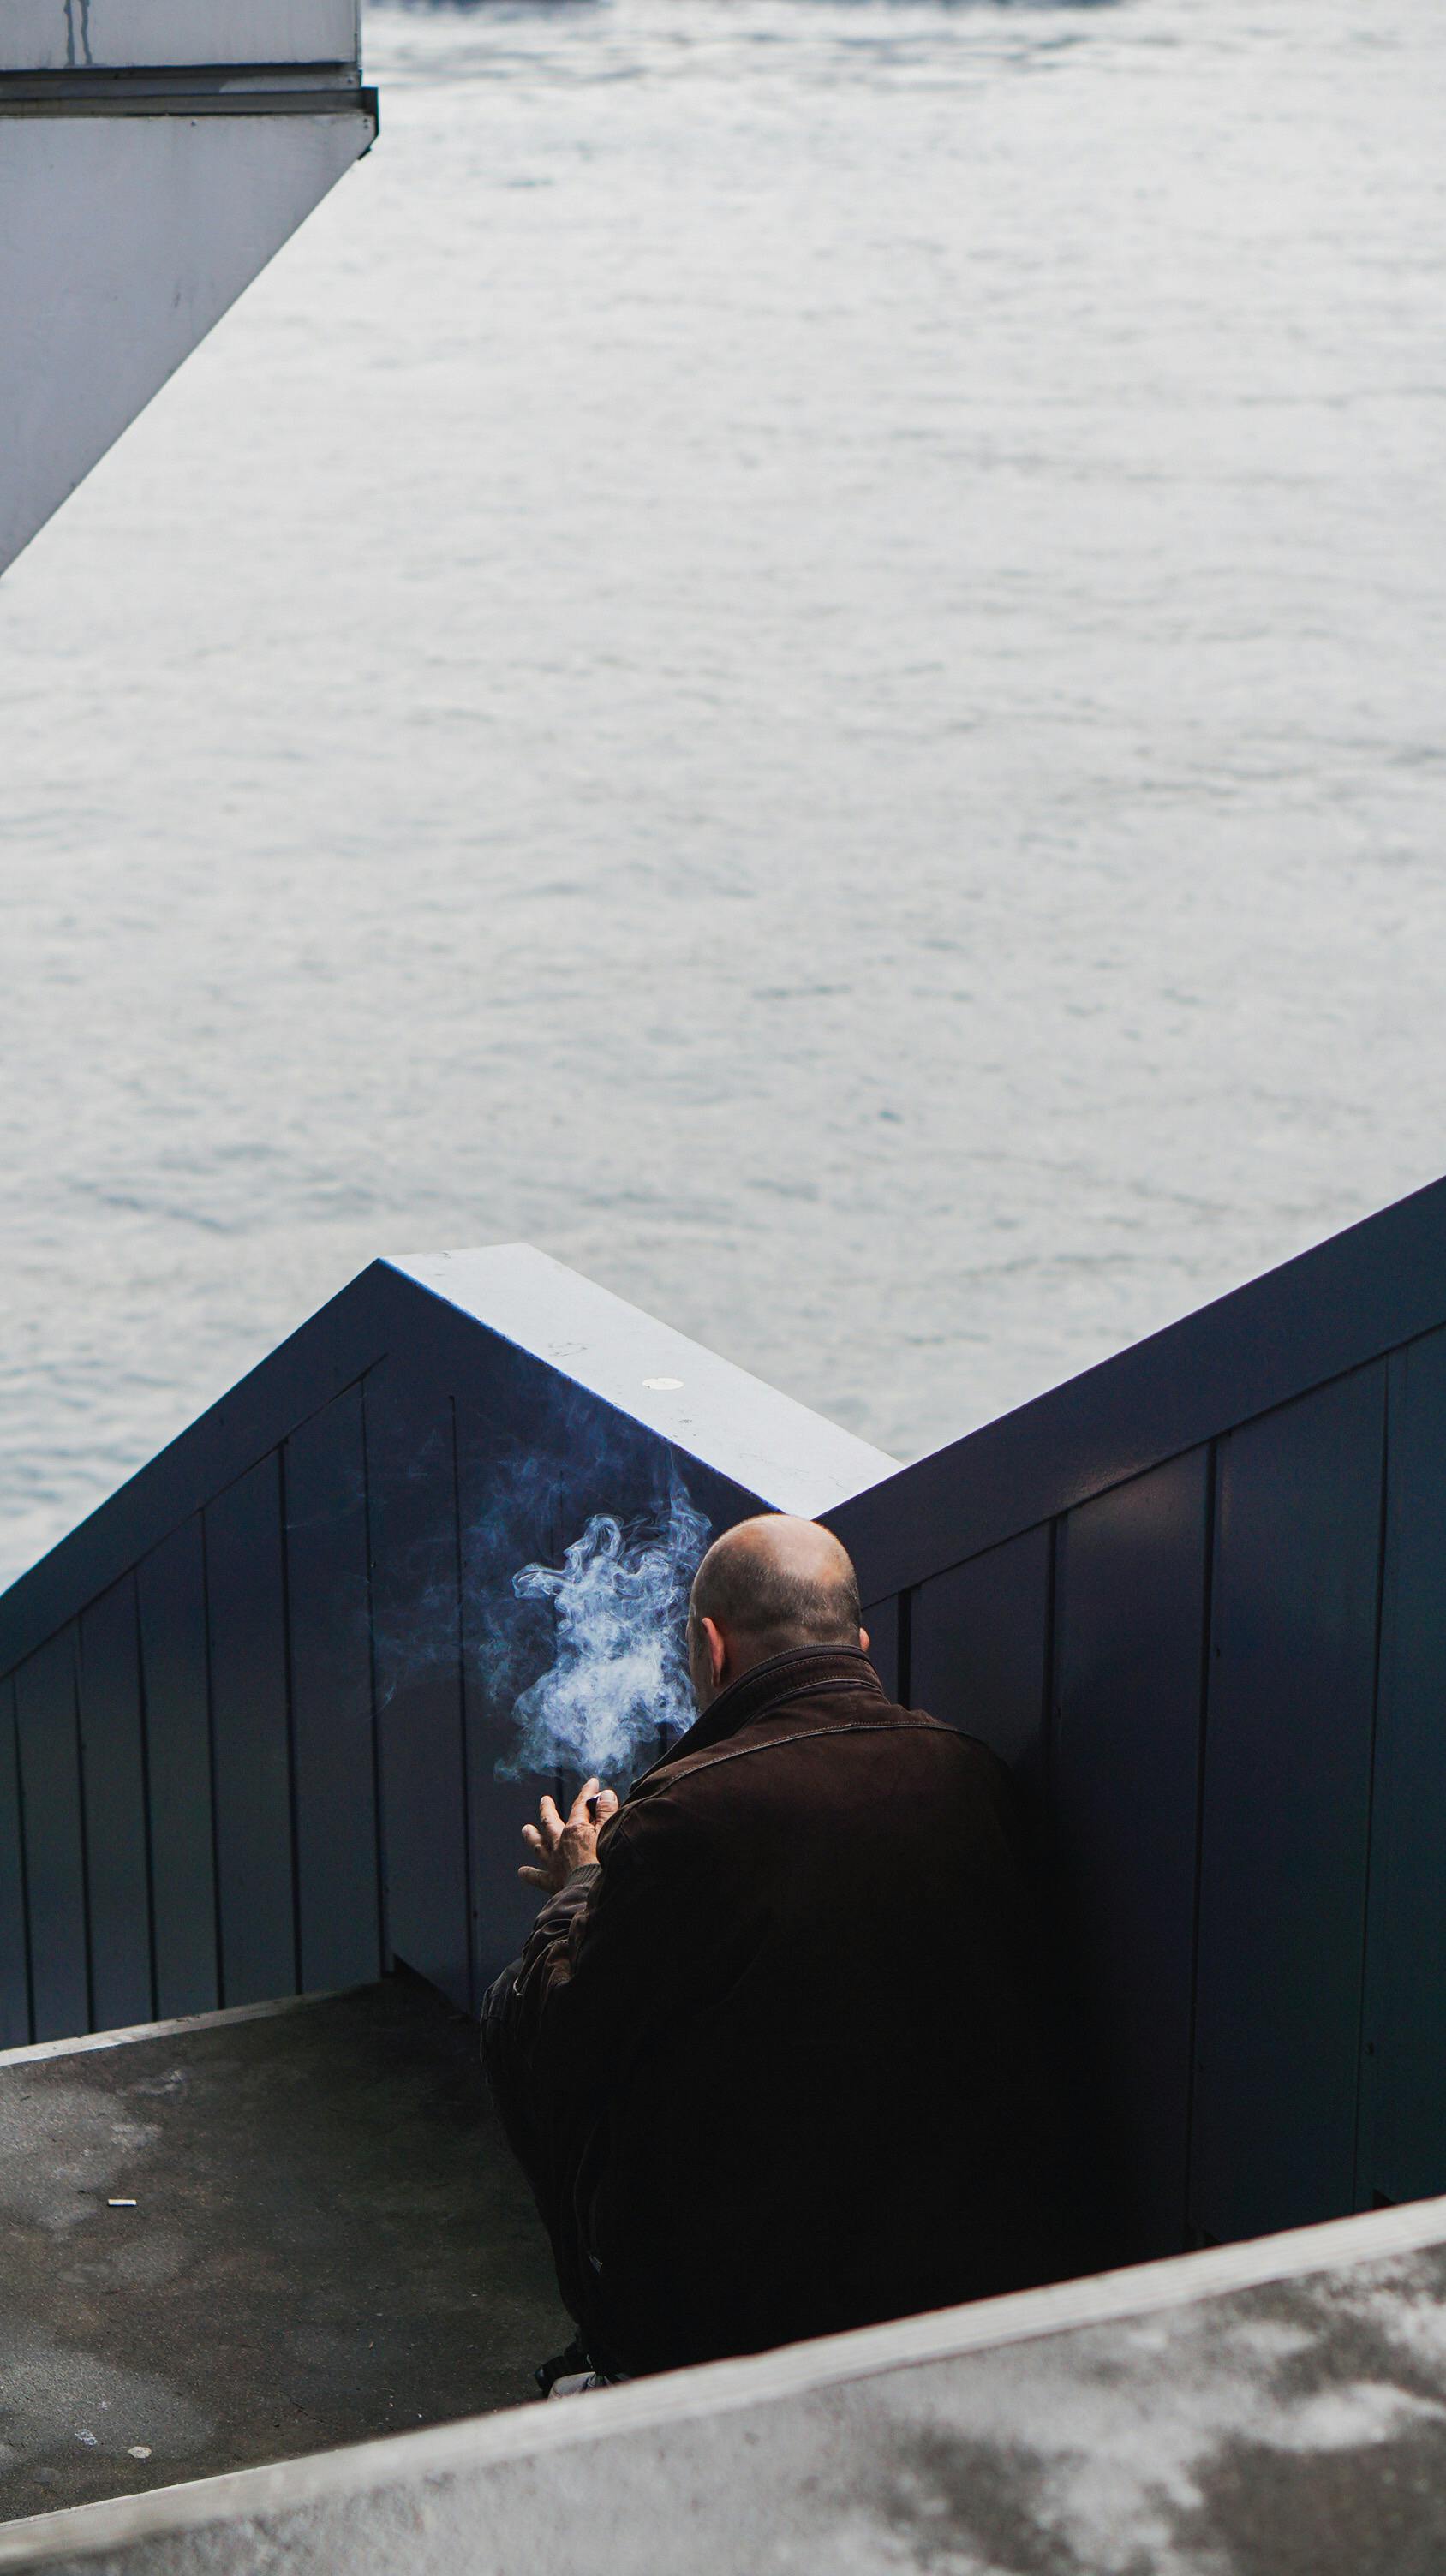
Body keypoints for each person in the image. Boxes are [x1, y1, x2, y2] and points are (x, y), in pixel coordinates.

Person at [480, 1512, 1067, 2391]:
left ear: (710, 1648)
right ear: (859, 1641)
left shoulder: (682, 1814)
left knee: (517, 2009)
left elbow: (567, 2040)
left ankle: (620, 2355)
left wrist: (578, 1887)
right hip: (968, 2255)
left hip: (748, 2303)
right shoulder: (971, 1771)